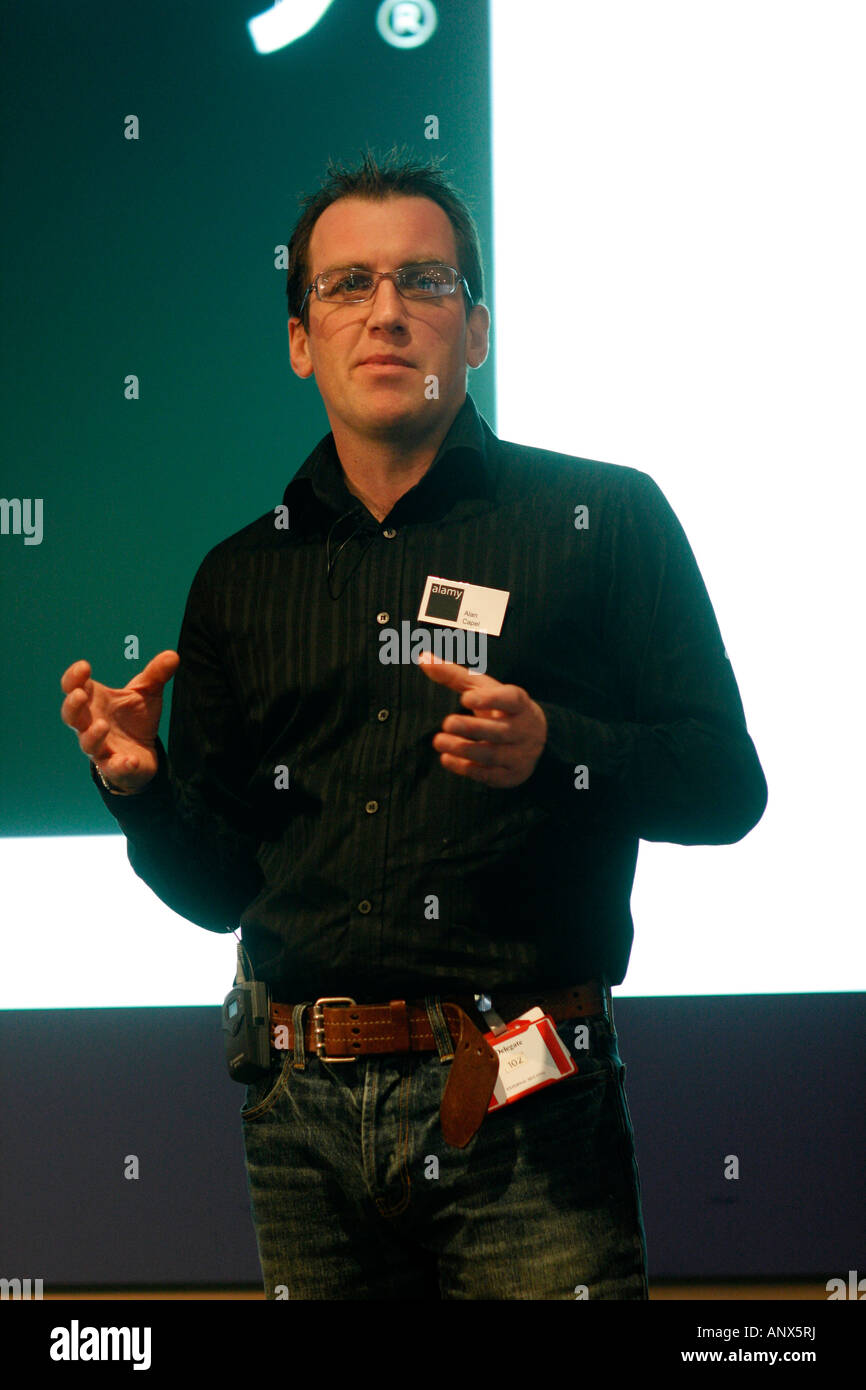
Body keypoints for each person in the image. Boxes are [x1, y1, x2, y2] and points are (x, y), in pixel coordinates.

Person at [60, 152, 767, 1300]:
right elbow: (220, 889)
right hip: (300, 1117)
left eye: (425, 283)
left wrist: (555, 749)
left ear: (475, 330)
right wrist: (140, 790)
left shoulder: (604, 519)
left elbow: (723, 788)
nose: (385, 312)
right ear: (300, 340)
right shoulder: (240, 578)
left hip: (524, 1099)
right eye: (346, 286)